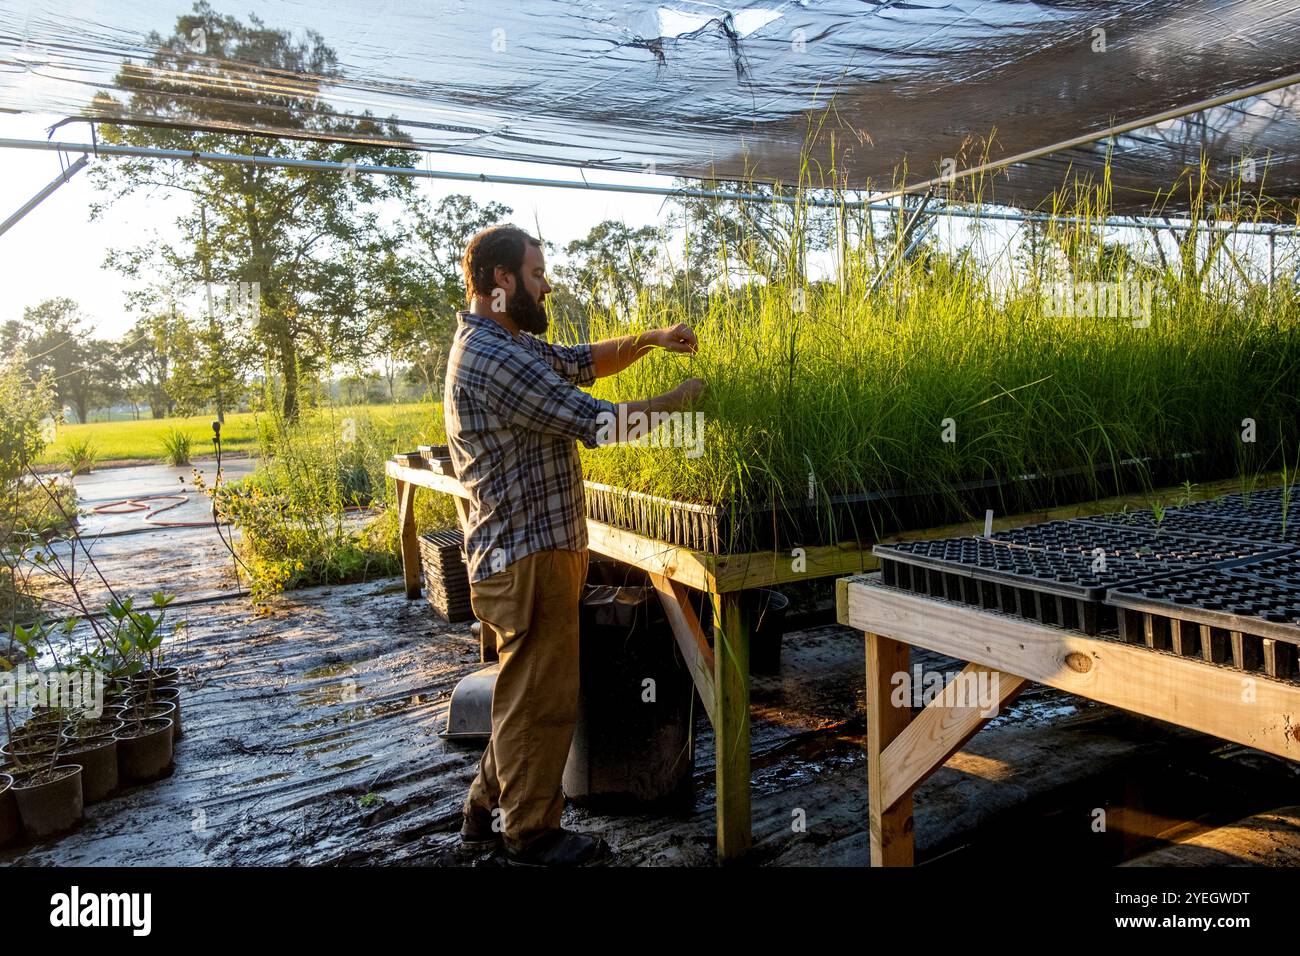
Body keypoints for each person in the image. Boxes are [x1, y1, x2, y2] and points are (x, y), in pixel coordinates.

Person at [445, 224, 704, 866]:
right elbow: (598, 420)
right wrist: (681, 402)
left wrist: (651, 341)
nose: (546, 283)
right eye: (536, 274)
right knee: (544, 698)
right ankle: (530, 837)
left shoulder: (507, 341)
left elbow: (582, 360)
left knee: (524, 690)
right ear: (502, 280)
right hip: (525, 558)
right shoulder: (493, 357)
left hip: (533, 554)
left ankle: (484, 807)